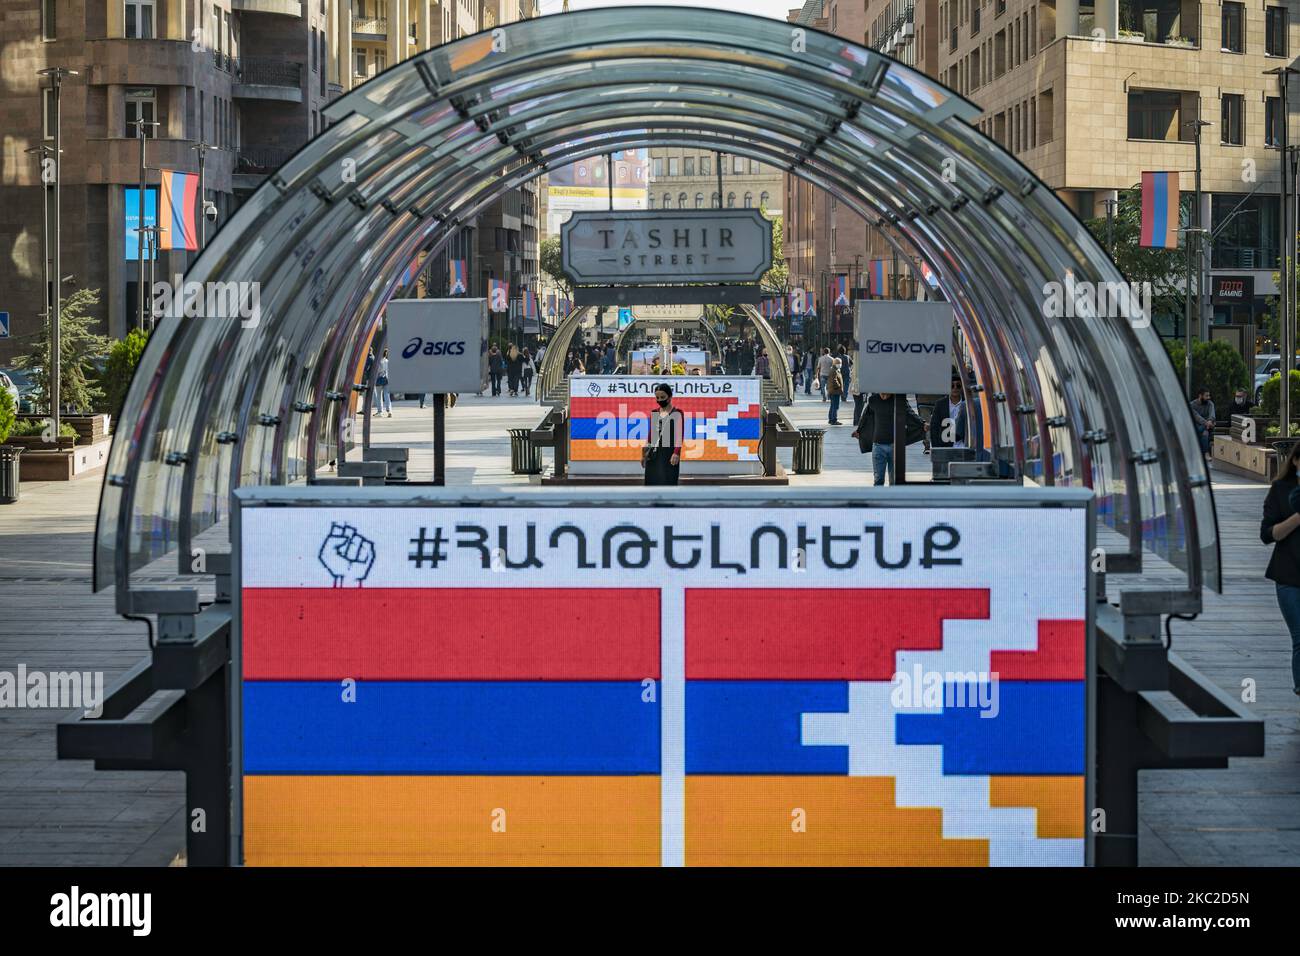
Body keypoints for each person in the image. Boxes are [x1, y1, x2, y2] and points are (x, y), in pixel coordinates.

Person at [1261, 442, 1300, 696]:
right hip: (1289, 575)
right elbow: (1267, 534)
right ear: (1295, 461)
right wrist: (1298, 518)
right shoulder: (1281, 490)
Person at [643, 383, 684, 486]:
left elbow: (680, 435)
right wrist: (644, 454)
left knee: (669, 481)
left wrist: (676, 453)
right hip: (653, 454)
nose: (660, 400)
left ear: (670, 397)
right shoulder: (655, 412)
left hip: (669, 454)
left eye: (662, 397)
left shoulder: (677, 413)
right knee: (651, 483)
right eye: (657, 397)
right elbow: (651, 435)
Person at [853, 392, 897, 485]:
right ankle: (878, 499)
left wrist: (922, 423)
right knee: (878, 480)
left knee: (894, 481)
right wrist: (859, 430)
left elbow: (909, 413)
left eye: (886, 394)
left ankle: (893, 499)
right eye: (882, 394)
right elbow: (865, 416)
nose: (884, 396)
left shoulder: (898, 400)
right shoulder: (874, 400)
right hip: (878, 446)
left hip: (895, 446)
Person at [930, 378, 967, 450]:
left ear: (962, 387)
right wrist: (936, 448)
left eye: (958, 385)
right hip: (945, 445)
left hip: (964, 445)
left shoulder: (968, 403)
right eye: (952, 386)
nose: (955, 388)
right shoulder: (940, 404)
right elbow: (934, 426)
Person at [1190, 387, 1215, 459]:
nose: (1208, 397)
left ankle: (1205, 453)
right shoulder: (1192, 405)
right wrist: (1207, 423)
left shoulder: (1210, 404)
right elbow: (1196, 417)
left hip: (1207, 427)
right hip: (1197, 426)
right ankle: (1206, 453)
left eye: (1209, 395)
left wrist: (1210, 421)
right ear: (1200, 396)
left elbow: (1212, 415)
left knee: (1205, 432)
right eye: (1206, 396)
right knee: (1204, 433)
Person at [827, 357, 844, 424]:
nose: (840, 364)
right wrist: (839, 386)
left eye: (840, 363)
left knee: (833, 405)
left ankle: (831, 419)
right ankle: (834, 419)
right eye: (838, 363)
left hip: (833, 391)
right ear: (835, 363)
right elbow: (834, 380)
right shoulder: (834, 370)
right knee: (835, 406)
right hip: (835, 391)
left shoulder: (835, 369)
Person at [375, 348, 392, 417]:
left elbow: (377, 371)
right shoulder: (387, 361)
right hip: (387, 380)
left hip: (379, 380)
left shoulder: (378, 362)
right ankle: (389, 410)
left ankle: (380, 412)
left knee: (379, 396)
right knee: (387, 395)